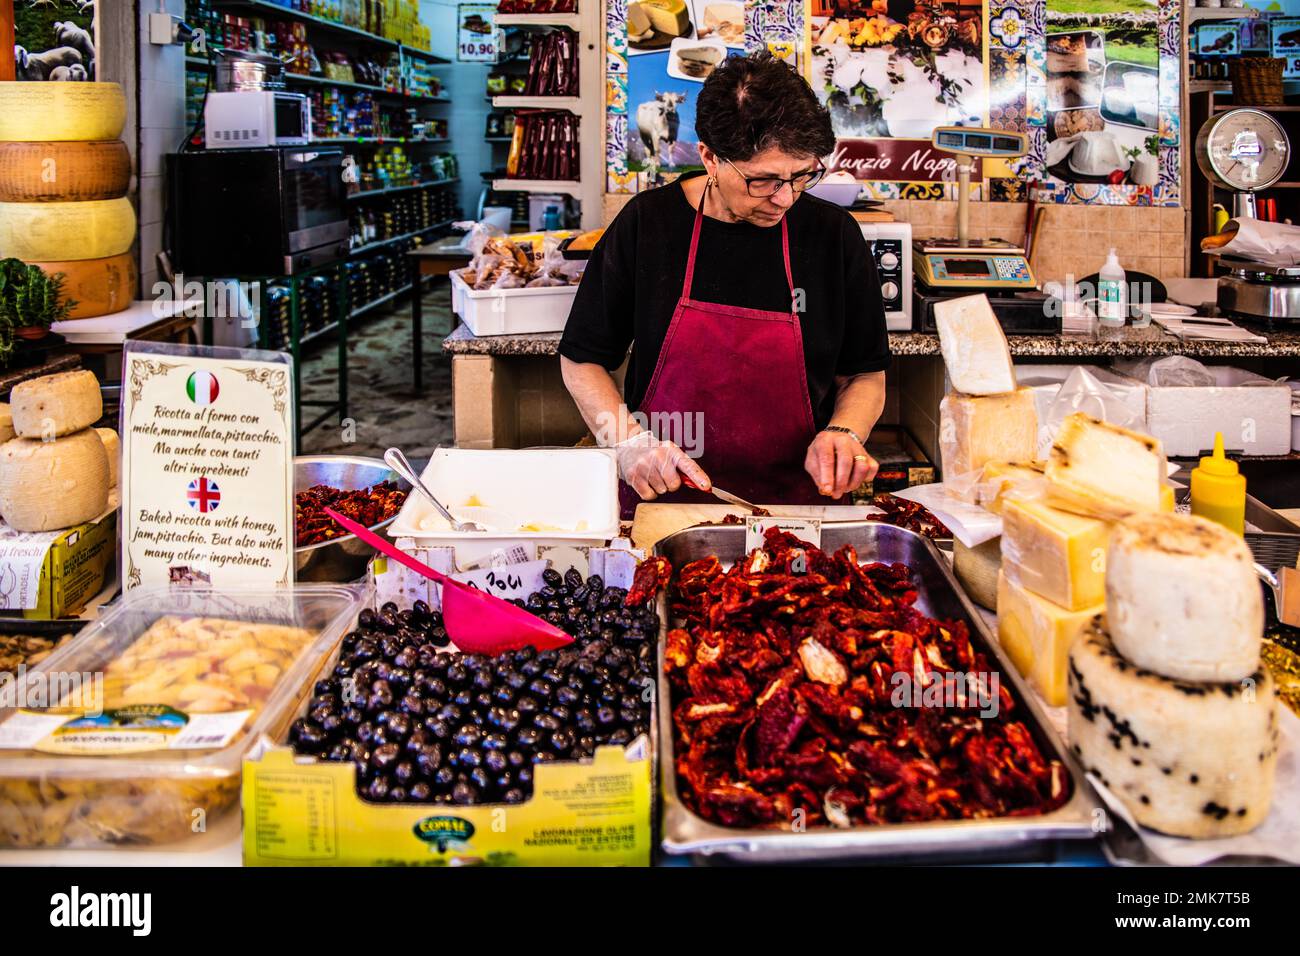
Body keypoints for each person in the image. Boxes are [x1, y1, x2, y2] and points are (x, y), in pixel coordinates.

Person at [559, 51, 890, 513]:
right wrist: (628, 443)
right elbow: (582, 360)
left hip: (797, 509)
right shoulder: (649, 224)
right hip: (665, 502)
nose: (785, 199)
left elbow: (864, 373)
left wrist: (844, 432)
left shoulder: (833, 235)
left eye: (801, 176)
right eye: (763, 181)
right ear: (710, 158)